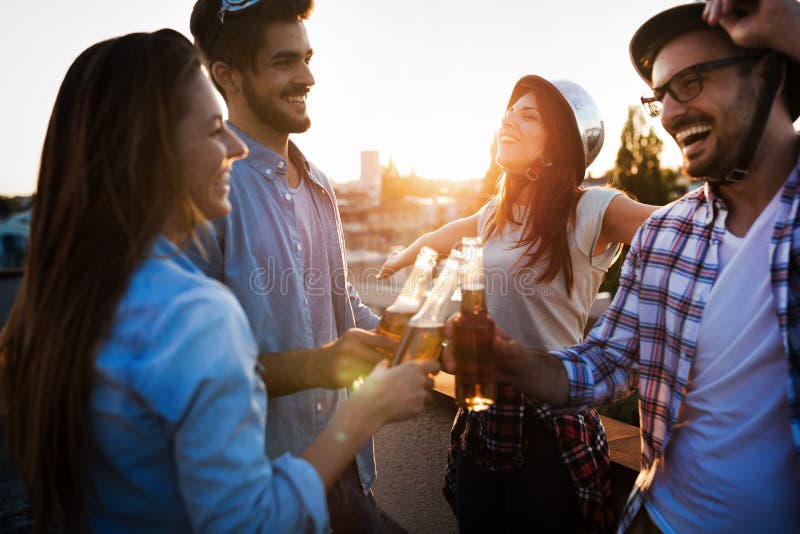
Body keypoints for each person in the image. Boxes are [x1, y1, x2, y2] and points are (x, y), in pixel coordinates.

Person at [0, 29, 438, 533]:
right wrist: (365, 411)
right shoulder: (192, 310)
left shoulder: (71, 301)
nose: (235, 147)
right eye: (213, 130)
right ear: (150, 152)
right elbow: (251, 523)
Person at [445, 1, 800, 532]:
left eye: (691, 83)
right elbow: (606, 362)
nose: (671, 113)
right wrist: (513, 361)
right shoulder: (666, 236)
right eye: (661, 96)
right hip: (655, 518)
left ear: (771, 73)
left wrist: (789, 24)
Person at [381, 77, 657, 532]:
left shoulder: (590, 209)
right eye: (509, 112)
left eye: (529, 115)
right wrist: (405, 256)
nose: (508, 121)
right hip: (483, 414)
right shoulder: (495, 214)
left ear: (560, 143)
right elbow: (444, 235)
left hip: (550, 422)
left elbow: (675, 228)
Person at [186, 2, 394, 531]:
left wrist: (413, 333)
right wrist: (321, 365)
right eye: (284, 62)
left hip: (349, 477)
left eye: (307, 58)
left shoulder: (319, 183)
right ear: (227, 76)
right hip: (262, 491)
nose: (307, 77)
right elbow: (198, 373)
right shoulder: (207, 195)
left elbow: (341, 304)